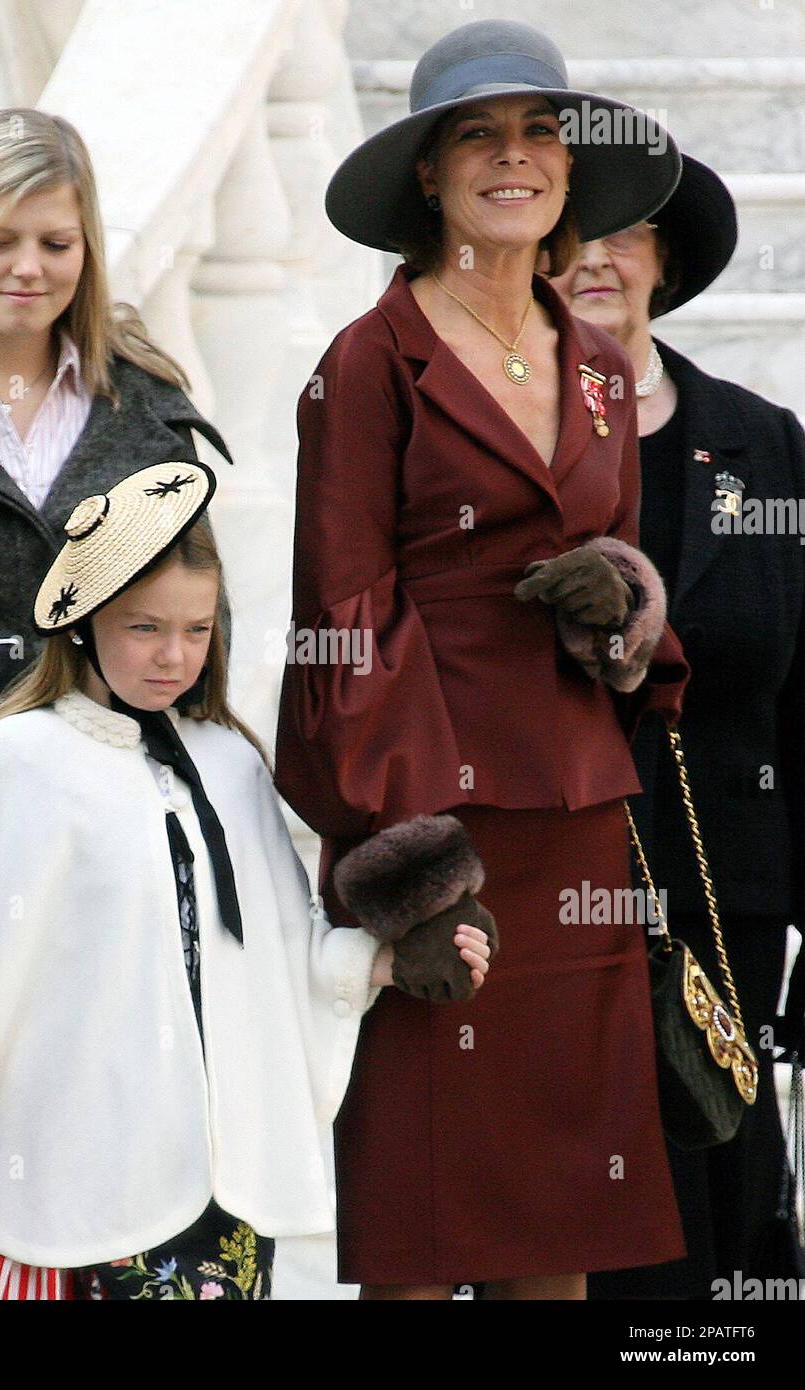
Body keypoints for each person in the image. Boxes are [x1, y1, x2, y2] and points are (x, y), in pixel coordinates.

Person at [275, 19, 690, 1300]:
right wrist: (411, 868)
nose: (514, 158)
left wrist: (617, 609)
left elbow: (622, 571)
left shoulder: (608, 371)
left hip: (577, 819)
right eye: (478, 135)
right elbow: (341, 613)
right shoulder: (368, 361)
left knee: (555, 1225)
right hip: (434, 822)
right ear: (429, 176)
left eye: (539, 134)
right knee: (421, 1222)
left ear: (569, 170)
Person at [0, 461, 492, 1300]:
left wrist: (380, 964)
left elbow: (278, 955)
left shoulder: (230, 761)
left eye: (197, 630)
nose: (174, 656)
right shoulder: (17, 763)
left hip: (219, 1185)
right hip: (62, 1177)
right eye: (143, 627)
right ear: (84, 619)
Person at [0, 106, 233, 1293]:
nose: (29, 268)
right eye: (0, 240)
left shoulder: (143, 402)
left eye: (57, 242)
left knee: (87, 1081)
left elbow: (191, 601)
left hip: (104, 810)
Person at [550, 154, 805, 1297]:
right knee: (577, 1216)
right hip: (547, 886)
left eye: (627, 231)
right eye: (569, 228)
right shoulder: (489, 441)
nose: (596, 255)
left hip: (724, 892)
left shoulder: (763, 441)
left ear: (667, 261)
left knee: (725, 1202)